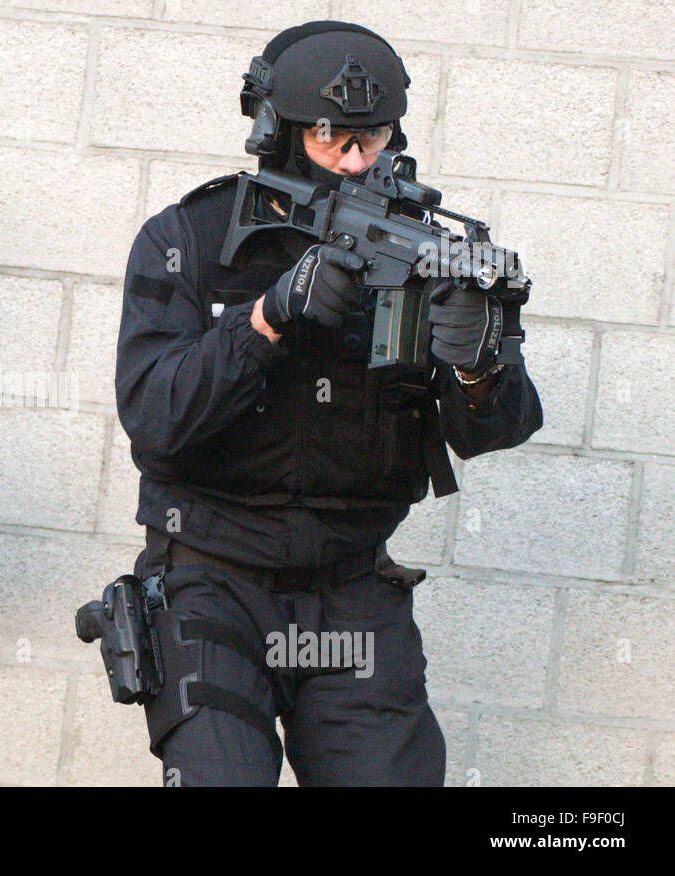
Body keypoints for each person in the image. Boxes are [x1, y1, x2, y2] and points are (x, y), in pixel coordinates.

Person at [114, 21, 543, 786]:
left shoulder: (424, 253)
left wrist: (479, 367)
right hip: (212, 582)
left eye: (370, 138)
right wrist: (268, 317)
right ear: (276, 132)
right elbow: (155, 419)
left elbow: (495, 430)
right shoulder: (190, 238)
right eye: (328, 137)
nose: (353, 160)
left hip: (353, 589)